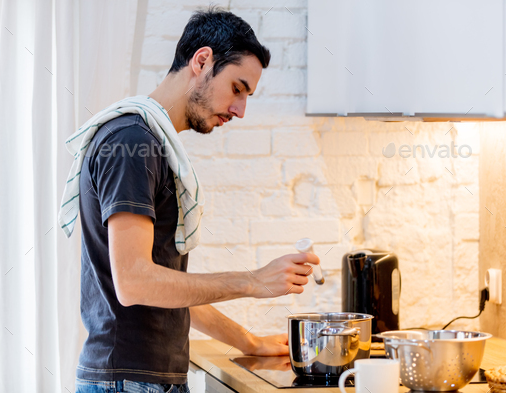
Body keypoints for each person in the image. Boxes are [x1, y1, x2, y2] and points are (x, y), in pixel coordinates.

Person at [72, 7, 320, 393]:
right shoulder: (132, 142)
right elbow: (135, 281)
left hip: (142, 380)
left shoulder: (151, 143)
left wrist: (248, 342)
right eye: (237, 89)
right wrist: (253, 281)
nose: (240, 111)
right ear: (202, 61)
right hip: (129, 382)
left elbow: (167, 287)